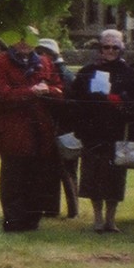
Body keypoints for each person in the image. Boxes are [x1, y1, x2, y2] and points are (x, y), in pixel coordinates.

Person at [69, 28, 134, 233]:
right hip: (92, 131)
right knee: (93, 175)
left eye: (115, 47)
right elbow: (75, 99)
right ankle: (98, 218)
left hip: (117, 131)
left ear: (121, 48)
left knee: (115, 177)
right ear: (100, 48)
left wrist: (121, 101)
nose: (110, 51)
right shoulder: (87, 71)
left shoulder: (129, 73)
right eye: (106, 47)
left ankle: (111, 218)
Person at [0, 33, 63, 232]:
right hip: (14, 130)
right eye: (20, 38)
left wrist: (49, 90)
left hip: (40, 131)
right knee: (14, 178)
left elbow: (59, 89)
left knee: (37, 178)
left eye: (29, 39)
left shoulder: (44, 62)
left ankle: (32, 220)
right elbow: (1, 95)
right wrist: (31, 92)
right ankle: (13, 221)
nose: (24, 43)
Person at [35, 37, 80, 218]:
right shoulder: (66, 72)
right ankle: (69, 209)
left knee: (60, 170)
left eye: (41, 52)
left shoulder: (59, 73)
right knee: (67, 171)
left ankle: (55, 208)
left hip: (59, 126)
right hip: (66, 127)